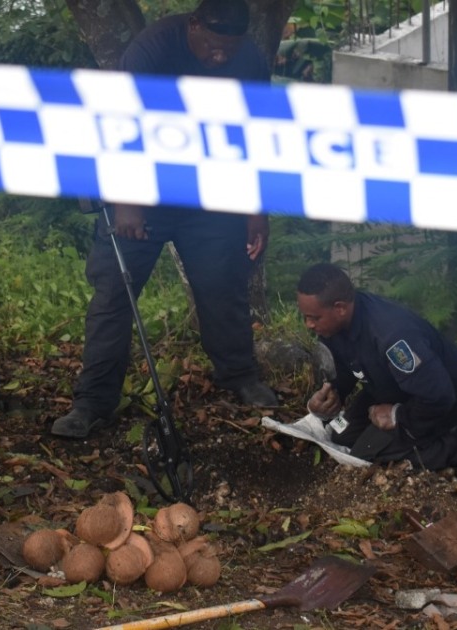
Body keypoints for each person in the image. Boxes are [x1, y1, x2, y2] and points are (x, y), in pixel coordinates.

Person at [52, 0, 279, 439]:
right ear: (194, 25)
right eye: (214, 46)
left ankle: (239, 375)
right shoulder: (152, 49)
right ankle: (93, 401)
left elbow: (256, 135)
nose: (220, 57)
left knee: (223, 284)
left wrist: (256, 211)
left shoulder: (247, 58)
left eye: (228, 49)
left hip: (208, 192)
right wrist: (128, 203)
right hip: (143, 188)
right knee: (114, 294)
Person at [296, 263, 457, 489]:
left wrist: (396, 415)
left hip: (444, 396)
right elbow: (348, 363)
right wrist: (335, 392)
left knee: (371, 456)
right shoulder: (333, 325)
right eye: (305, 317)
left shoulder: (391, 337)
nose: (309, 324)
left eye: (314, 317)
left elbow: (439, 396)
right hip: (389, 386)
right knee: (340, 434)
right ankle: (409, 434)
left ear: (340, 307)